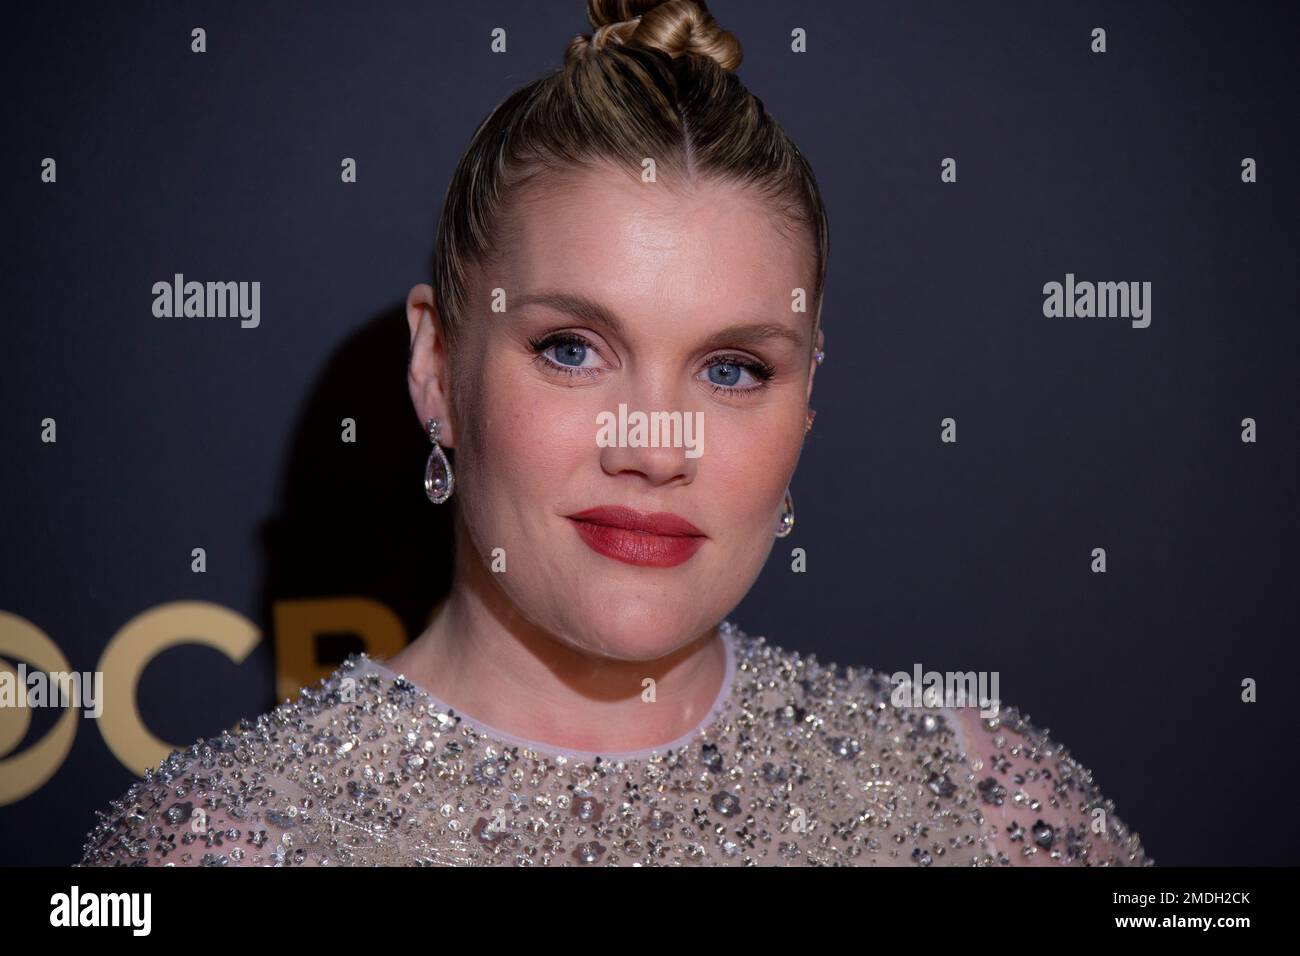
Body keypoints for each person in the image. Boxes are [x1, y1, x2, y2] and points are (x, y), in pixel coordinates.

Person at [75, 0, 1150, 867]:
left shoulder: (991, 810)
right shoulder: (211, 848)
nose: (653, 442)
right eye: (572, 348)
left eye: (733, 369)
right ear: (436, 366)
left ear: (807, 401)